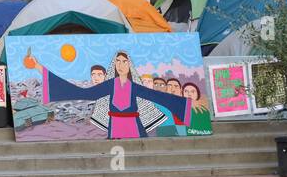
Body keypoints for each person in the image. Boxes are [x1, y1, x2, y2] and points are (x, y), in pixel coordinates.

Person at [24, 49, 205, 139]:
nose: (120, 64)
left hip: (134, 127)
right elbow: (81, 92)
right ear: (115, 65)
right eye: (117, 61)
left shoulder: (135, 86)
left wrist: (188, 103)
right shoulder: (110, 85)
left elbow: (158, 96)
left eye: (124, 61)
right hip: (115, 126)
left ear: (129, 64)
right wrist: (39, 67)